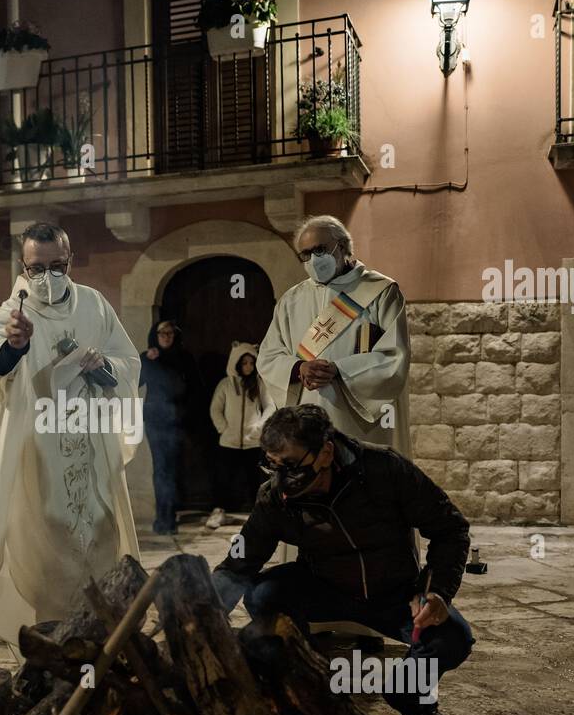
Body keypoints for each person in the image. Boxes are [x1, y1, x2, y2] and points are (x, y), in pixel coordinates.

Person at [211, 404, 473, 715]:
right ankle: (306, 683)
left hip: (394, 593)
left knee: (453, 638)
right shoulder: (276, 497)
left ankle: (409, 696)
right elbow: (239, 564)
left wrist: (436, 592)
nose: (282, 477)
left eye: (291, 465)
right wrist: (202, 616)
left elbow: (450, 529)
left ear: (325, 452)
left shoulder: (384, 470)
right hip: (324, 586)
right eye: (272, 465)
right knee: (264, 595)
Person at [0, 223, 142, 649]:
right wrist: (14, 347)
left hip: (90, 438)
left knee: (98, 528)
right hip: (38, 450)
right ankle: (50, 632)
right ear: (23, 267)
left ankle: (100, 626)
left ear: (70, 260)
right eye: (37, 268)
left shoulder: (95, 305)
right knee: (45, 537)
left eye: (57, 266)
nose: (47, 276)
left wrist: (104, 367)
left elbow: (128, 361)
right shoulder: (11, 312)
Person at [258, 215, 411, 453]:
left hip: (358, 418)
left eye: (320, 250)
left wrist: (339, 370)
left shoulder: (380, 291)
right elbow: (268, 356)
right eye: (305, 255)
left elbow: (394, 356)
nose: (313, 260)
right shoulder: (291, 300)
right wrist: (299, 369)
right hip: (306, 418)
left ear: (342, 246)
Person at [139, 319, 199, 534]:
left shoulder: (184, 358)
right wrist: (147, 360)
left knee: (172, 468)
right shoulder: (148, 358)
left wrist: (186, 415)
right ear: (155, 335)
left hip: (178, 420)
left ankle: (170, 516)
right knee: (160, 469)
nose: (166, 336)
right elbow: (135, 382)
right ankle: (161, 517)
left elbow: (194, 388)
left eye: (170, 333)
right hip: (155, 420)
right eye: (162, 332)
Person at [207, 342, 275, 528]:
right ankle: (218, 512)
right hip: (229, 441)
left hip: (252, 441)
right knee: (223, 478)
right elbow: (215, 409)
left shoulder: (259, 383)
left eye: (251, 363)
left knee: (255, 479)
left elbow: (270, 406)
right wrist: (224, 429)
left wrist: (259, 427)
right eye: (244, 363)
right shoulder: (226, 384)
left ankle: (258, 514)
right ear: (237, 363)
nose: (248, 367)